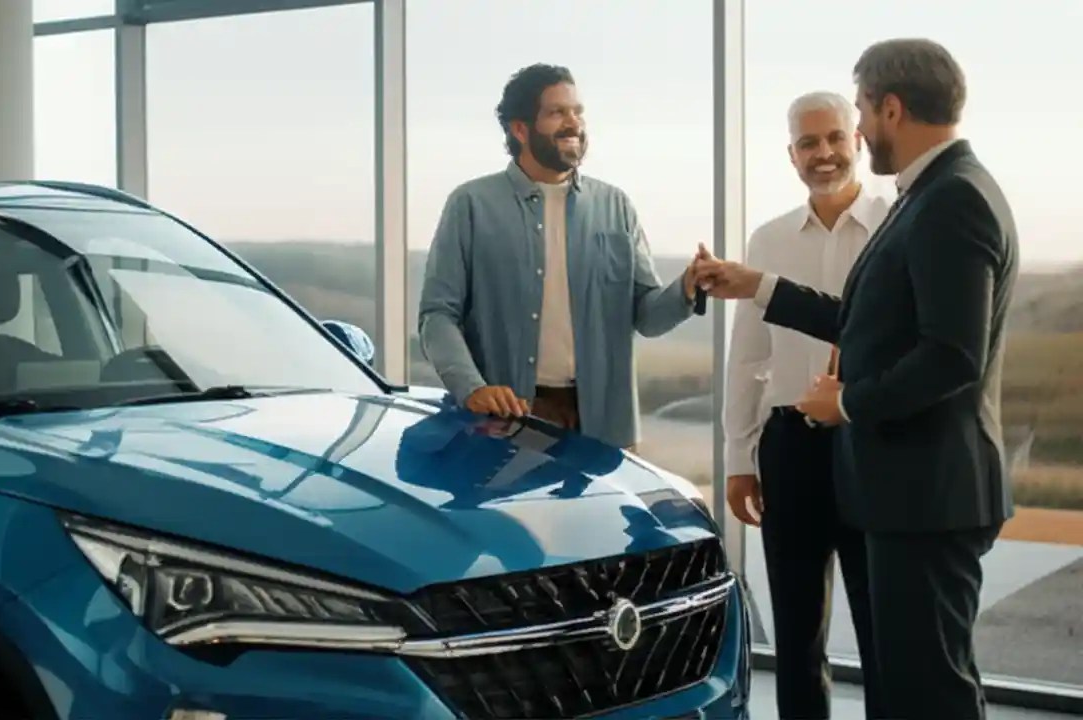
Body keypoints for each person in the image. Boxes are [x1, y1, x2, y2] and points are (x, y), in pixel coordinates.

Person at [697, 39, 1018, 719]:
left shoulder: (949, 199)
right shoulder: (929, 194)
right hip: (907, 486)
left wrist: (846, 401)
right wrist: (761, 286)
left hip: (928, 491)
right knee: (914, 686)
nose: (862, 133)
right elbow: (865, 320)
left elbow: (952, 355)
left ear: (889, 109)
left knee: (928, 692)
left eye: (862, 114)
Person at [417, 63, 704, 451]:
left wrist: (687, 288)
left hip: (604, 424)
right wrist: (473, 389)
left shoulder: (615, 205)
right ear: (520, 129)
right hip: (507, 420)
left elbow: (648, 317)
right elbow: (437, 315)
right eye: (557, 113)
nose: (574, 123)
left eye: (577, 112)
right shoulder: (470, 205)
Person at [724, 90, 889, 719]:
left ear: (856, 139)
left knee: (882, 632)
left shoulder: (893, 226)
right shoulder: (767, 240)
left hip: (869, 444)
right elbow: (748, 354)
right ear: (791, 156)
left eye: (834, 138)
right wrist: (740, 456)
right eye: (808, 143)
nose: (823, 154)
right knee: (796, 637)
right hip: (789, 448)